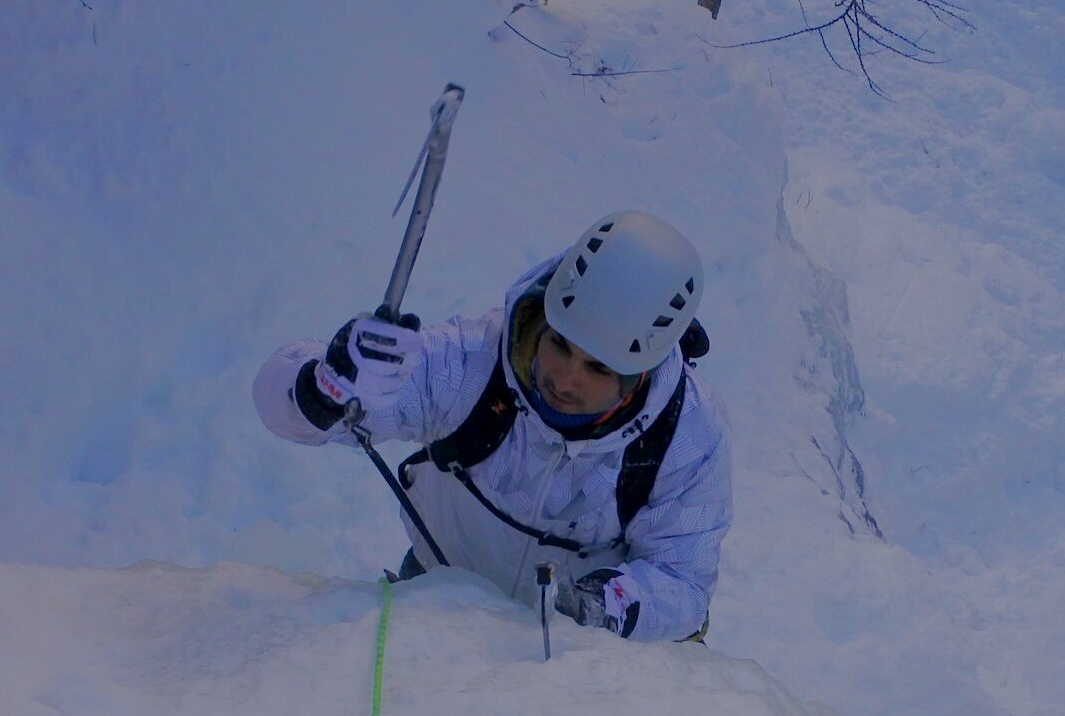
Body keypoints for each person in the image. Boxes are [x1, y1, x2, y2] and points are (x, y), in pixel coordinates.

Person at [253, 210, 730, 642]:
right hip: (441, 599)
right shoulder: (471, 364)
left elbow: (682, 579)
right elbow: (282, 408)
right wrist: (319, 391)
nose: (564, 379)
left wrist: (598, 606)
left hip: (583, 653)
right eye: (559, 343)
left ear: (641, 372)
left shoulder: (686, 436)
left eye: (598, 368)